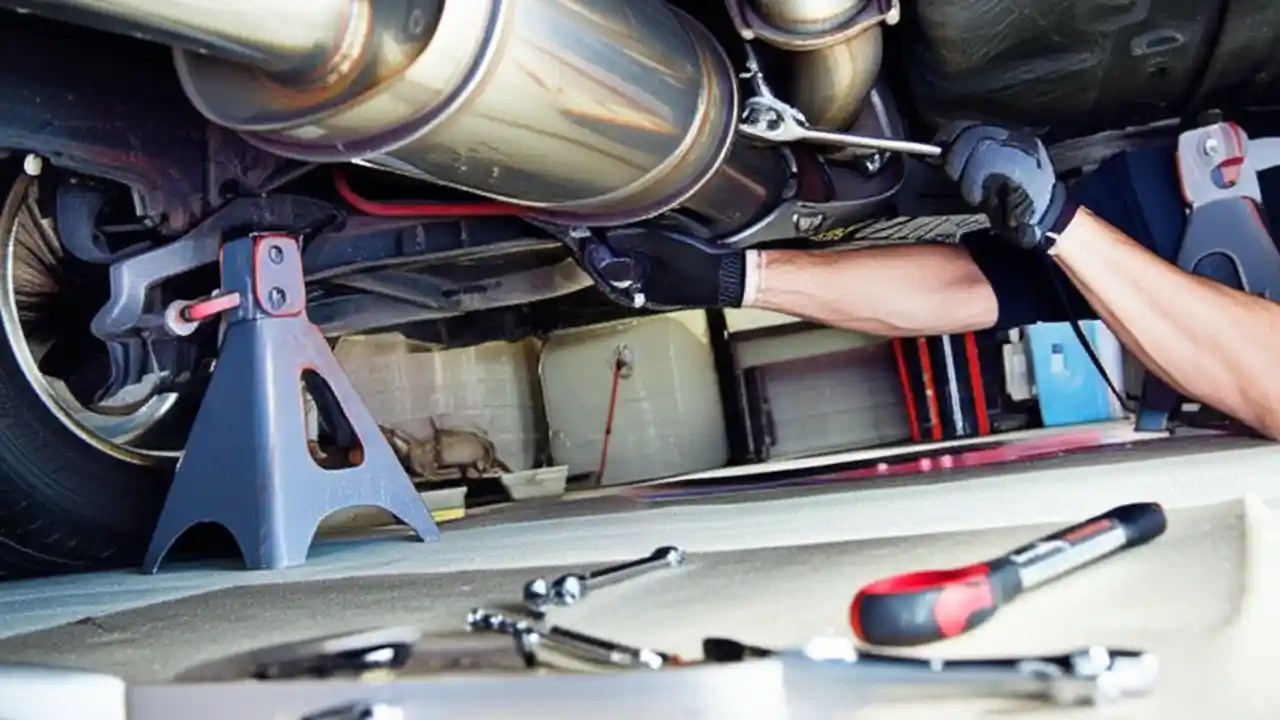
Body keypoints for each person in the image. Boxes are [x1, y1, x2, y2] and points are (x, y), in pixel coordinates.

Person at [593, 124, 1280, 440]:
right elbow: (977, 283)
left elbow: (974, 288)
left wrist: (730, 280)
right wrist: (742, 276)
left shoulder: (1140, 288)